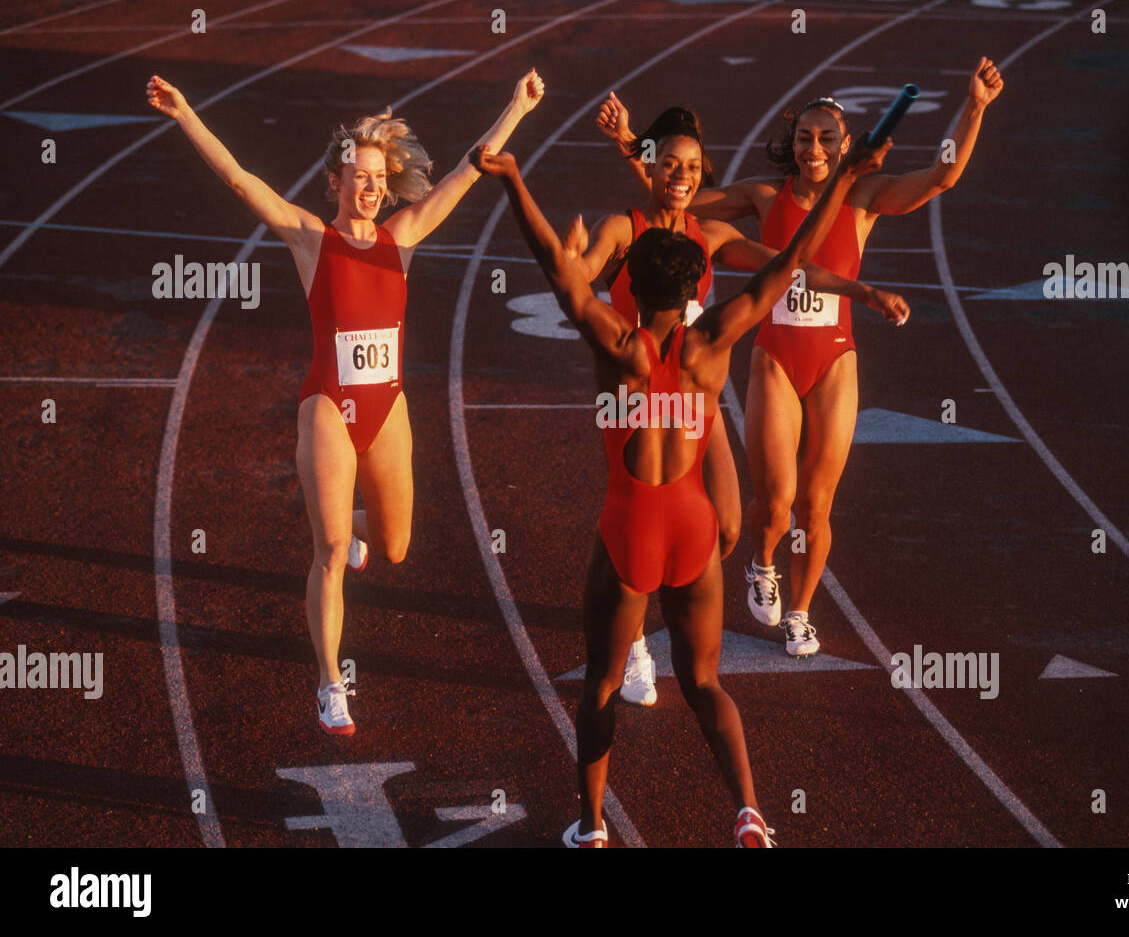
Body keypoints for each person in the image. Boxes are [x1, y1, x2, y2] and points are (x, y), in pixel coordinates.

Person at [471, 123, 888, 846]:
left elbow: (556, 268)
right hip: (695, 529)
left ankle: (594, 826)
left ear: (636, 283)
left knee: (600, 684)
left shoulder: (620, 344)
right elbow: (789, 262)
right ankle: (751, 811)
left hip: (632, 526)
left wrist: (513, 181)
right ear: (695, 283)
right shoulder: (713, 343)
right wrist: (844, 180)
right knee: (705, 685)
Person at [147, 69, 544, 734]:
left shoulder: (403, 236)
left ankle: (355, 531)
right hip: (327, 406)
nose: (370, 186)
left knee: (393, 547)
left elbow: (468, 174)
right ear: (335, 182)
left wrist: (517, 105)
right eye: (358, 175)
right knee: (329, 550)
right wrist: (186, 113)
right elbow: (241, 180)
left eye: (378, 177)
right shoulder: (310, 237)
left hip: (388, 411)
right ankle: (333, 681)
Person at [598, 58, 1002, 656]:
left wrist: (974, 108)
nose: (814, 148)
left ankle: (803, 610)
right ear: (792, 143)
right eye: (805, 137)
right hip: (776, 358)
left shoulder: (864, 199)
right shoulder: (763, 197)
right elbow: (680, 199)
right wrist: (634, 144)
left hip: (836, 357)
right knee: (778, 500)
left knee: (817, 505)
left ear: (845, 148)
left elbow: (940, 177)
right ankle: (762, 562)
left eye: (827, 139)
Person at [578, 107, 903, 701]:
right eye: (669, 164)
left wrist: (864, 290)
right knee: (637, 519)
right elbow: (582, 274)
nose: (680, 174)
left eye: (693, 167)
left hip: (696, 394)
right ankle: (635, 647)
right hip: (634, 395)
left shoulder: (712, 235)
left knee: (727, 526)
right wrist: (575, 267)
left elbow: (789, 268)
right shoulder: (624, 229)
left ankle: (661, 604)